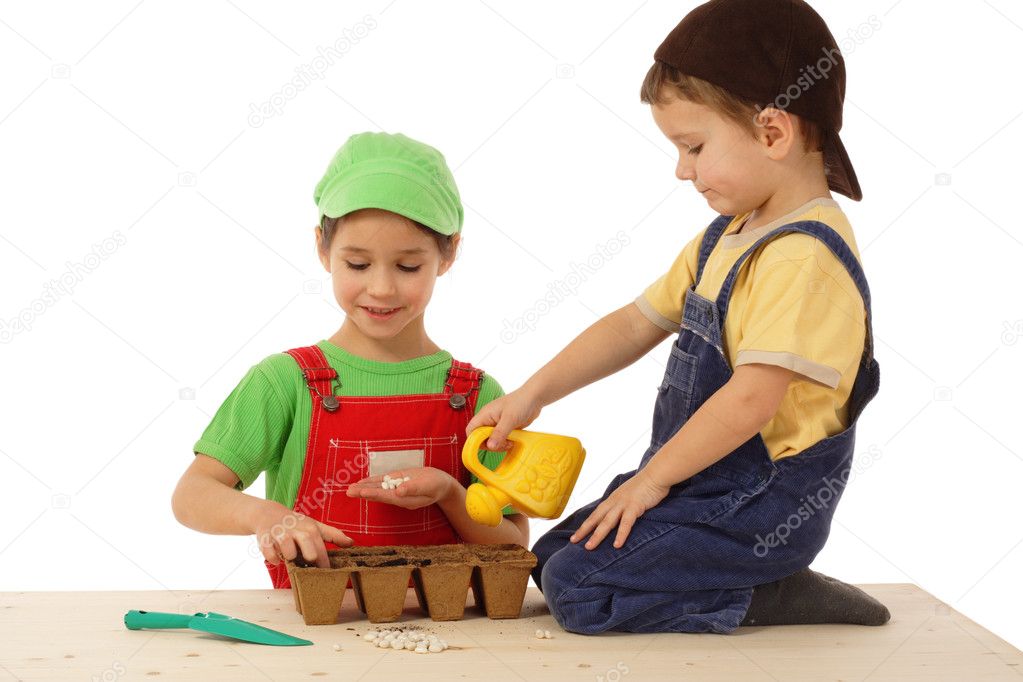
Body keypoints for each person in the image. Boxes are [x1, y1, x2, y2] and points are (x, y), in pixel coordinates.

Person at [466, 0, 890, 633]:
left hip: (763, 505)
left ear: (774, 133)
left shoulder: (803, 257)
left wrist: (649, 483)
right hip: (705, 481)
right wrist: (534, 393)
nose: (681, 169)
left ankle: (769, 590)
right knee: (552, 555)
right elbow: (634, 324)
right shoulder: (727, 236)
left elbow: (749, 401)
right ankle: (724, 575)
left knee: (578, 589)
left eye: (694, 146)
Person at [173, 132, 528, 588]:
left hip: (449, 639)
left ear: (448, 253)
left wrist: (449, 494)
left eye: (407, 267)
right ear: (323, 247)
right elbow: (192, 494)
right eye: (358, 265)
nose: (381, 288)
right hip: (319, 640)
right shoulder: (286, 382)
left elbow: (513, 546)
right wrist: (264, 515)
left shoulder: (479, 396)